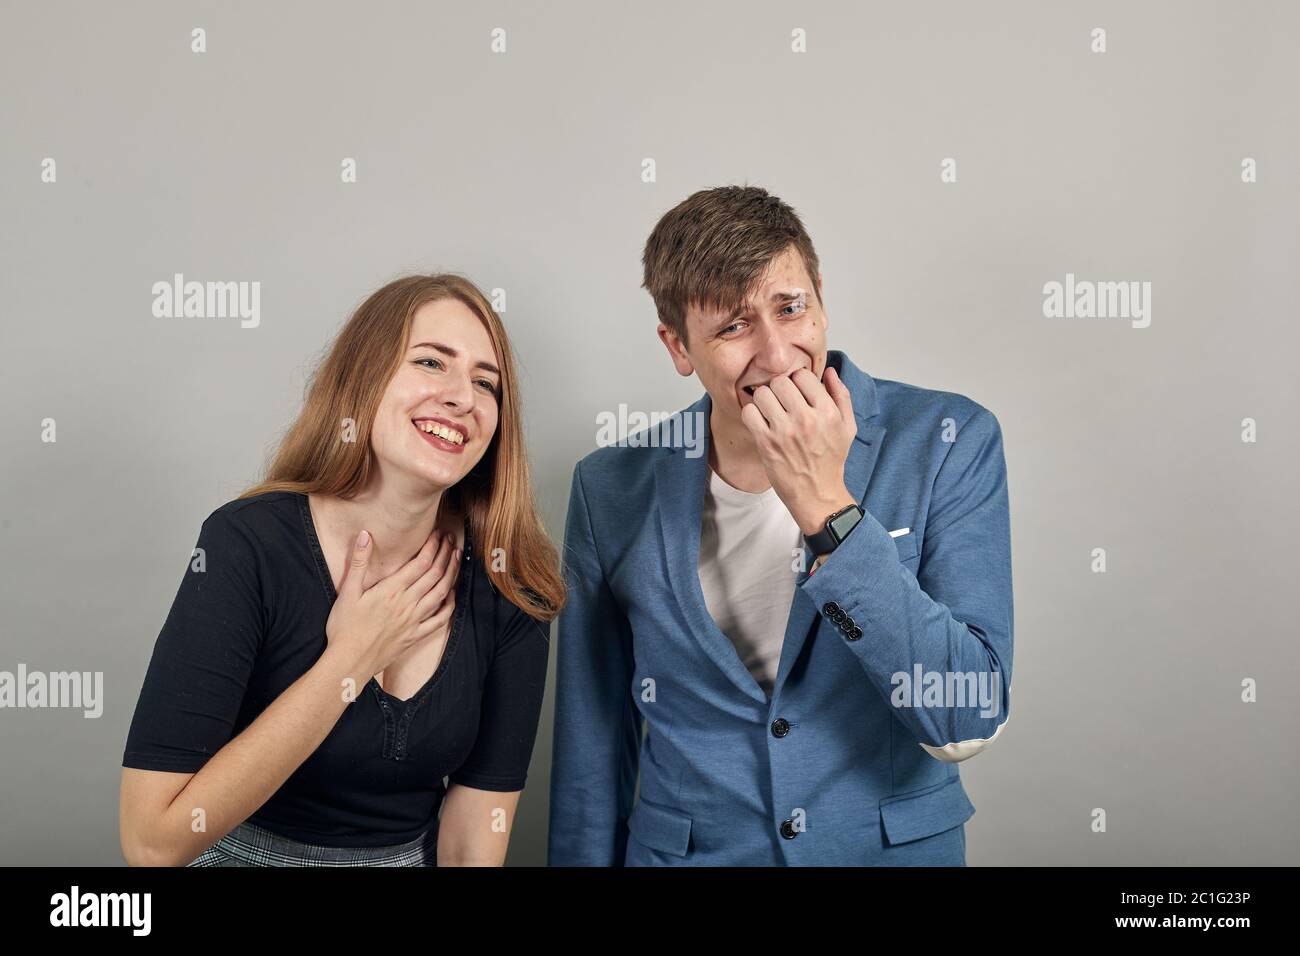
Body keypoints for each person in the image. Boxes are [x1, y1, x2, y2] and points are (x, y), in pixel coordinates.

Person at [548, 185, 1013, 866]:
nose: (776, 353)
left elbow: (964, 721)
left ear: (820, 299)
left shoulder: (948, 440)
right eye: (733, 326)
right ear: (678, 346)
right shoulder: (608, 487)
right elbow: (591, 746)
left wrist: (828, 508)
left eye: (790, 308)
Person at [119, 273, 564, 866]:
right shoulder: (247, 544)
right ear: (364, 379)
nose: (463, 396)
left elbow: (469, 844)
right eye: (432, 363)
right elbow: (152, 843)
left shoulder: (512, 582)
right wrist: (350, 661)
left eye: (487, 383)